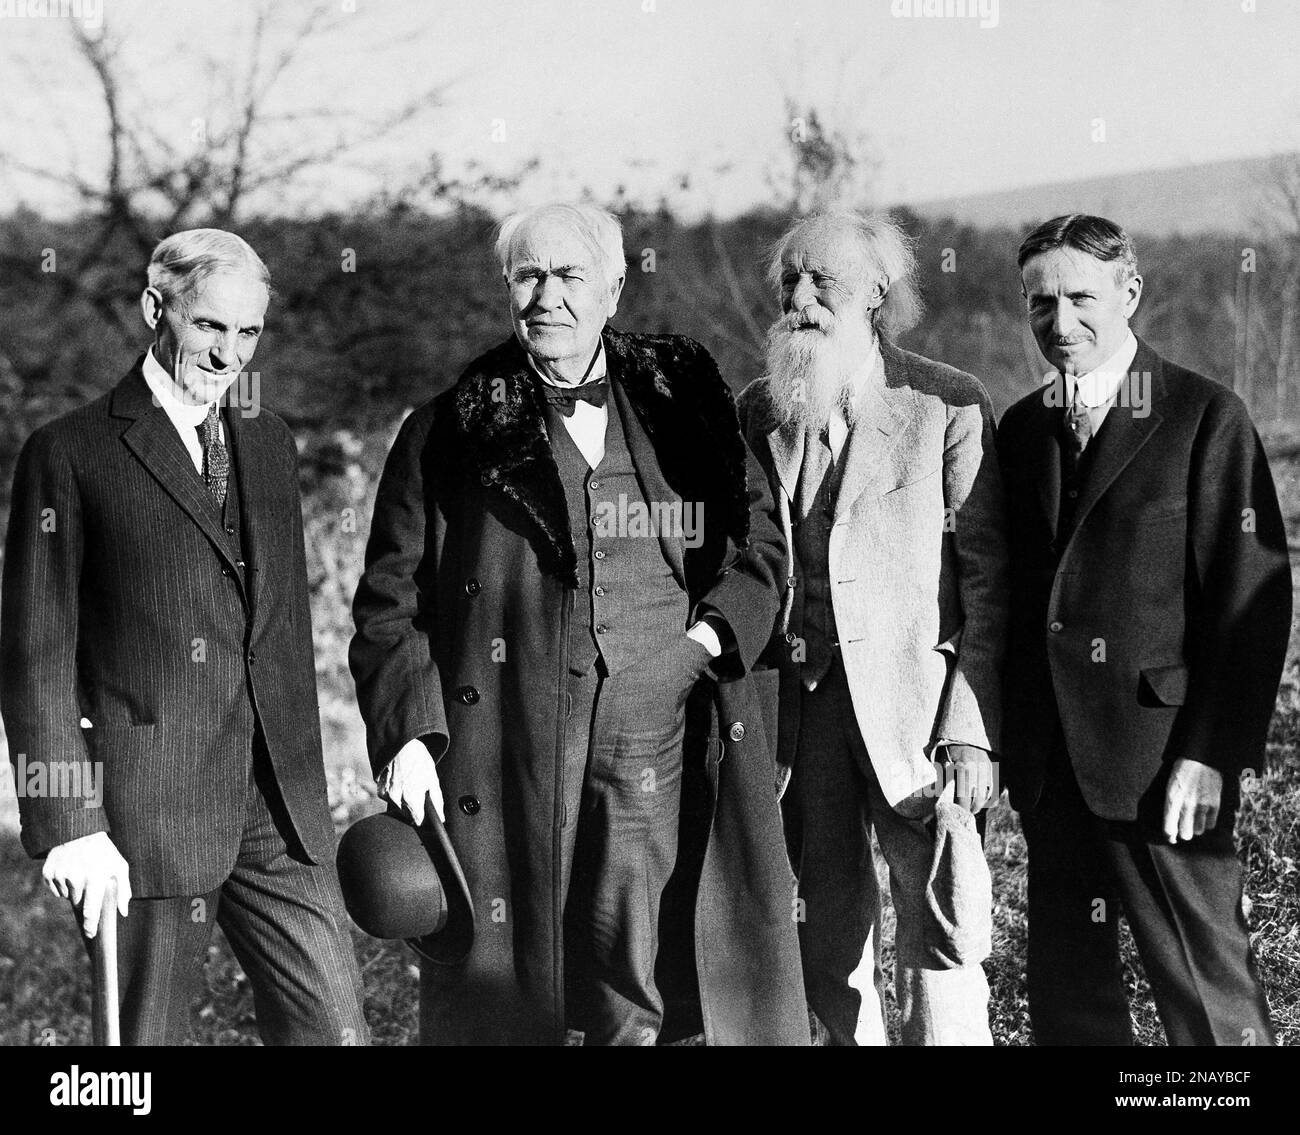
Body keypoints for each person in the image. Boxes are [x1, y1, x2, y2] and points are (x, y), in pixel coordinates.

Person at [348, 202, 807, 1046]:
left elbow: (760, 552)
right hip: (514, 740)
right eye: (528, 276)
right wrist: (410, 733)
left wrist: (700, 647)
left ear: (615, 288)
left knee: (640, 972)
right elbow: (390, 600)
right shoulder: (447, 429)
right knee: (511, 983)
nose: (547, 296)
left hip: (662, 726)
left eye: (569, 276)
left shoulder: (687, 400)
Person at [1, 229, 367, 1045]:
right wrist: (68, 820)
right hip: (144, 814)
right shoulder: (70, 452)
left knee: (336, 1033)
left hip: (282, 804)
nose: (229, 352)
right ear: (154, 312)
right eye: (209, 326)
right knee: (137, 1063)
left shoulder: (269, 442)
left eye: (248, 332)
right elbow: (35, 655)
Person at [998, 213, 1290, 1045]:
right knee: (1069, 999)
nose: (1061, 324)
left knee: (1206, 993)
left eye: (1081, 298)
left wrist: (1209, 750)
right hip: (1053, 772)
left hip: (1163, 764)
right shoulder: (1021, 431)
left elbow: (1251, 603)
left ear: (1131, 291)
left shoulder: (1205, 417)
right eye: (1040, 303)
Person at [737, 211, 1008, 1045]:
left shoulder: (946, 405)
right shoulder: (758, 409)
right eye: (792, 280)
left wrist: (970, 731)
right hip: (802, 710)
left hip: (916, 716)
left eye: (827, 280)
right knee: (827, 928)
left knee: (942, 925)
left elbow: (988, 589)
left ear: (879, 293)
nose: (803, 297)